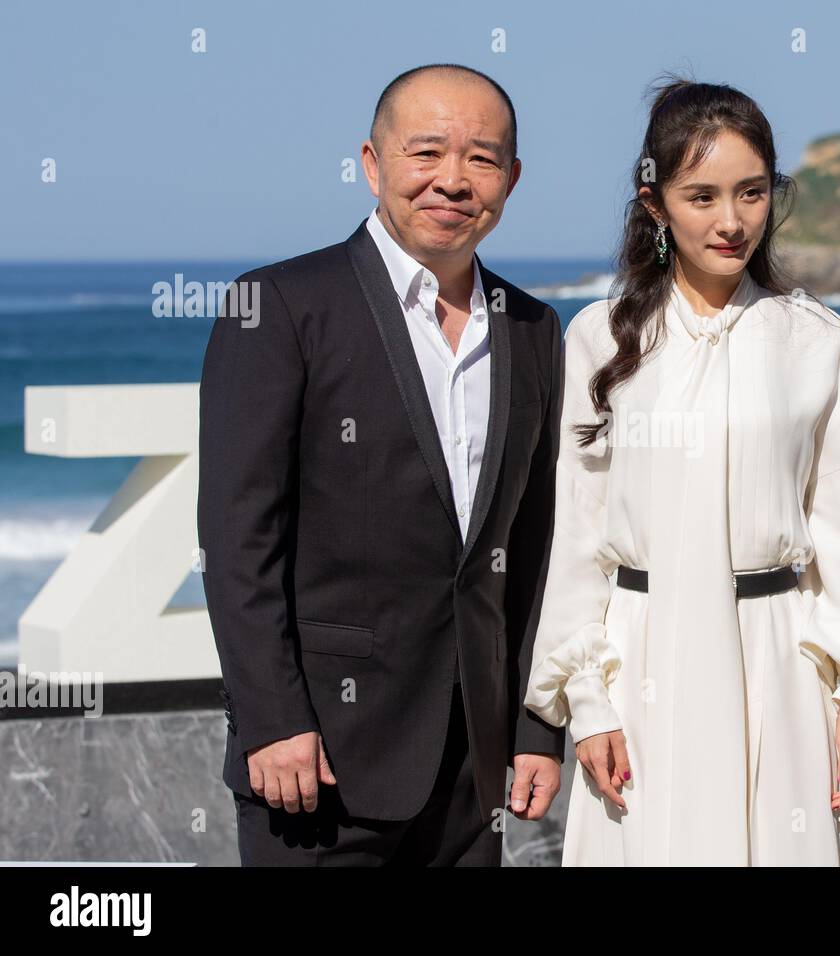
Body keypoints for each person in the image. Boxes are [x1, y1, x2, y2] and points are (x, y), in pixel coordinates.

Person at [523, 78, 840, 865]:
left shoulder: (814, 338)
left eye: (751, 192)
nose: (731, 220)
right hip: (640, 665)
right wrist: (588, 703)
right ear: (656, 204)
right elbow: (575, 535)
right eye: (701, 195)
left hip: (780, 658)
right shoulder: (600, 340)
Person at [198, 64, 565, 865]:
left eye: (482, 158)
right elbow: (237, 540)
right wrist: (272, 719)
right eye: (427, 151)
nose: (454, 181)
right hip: (318, 760)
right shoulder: (279, 307)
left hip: (475, 772)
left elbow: (536, 547)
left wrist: (538, 727)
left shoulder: (533, 328)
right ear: (372, 163)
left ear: (512, 177)